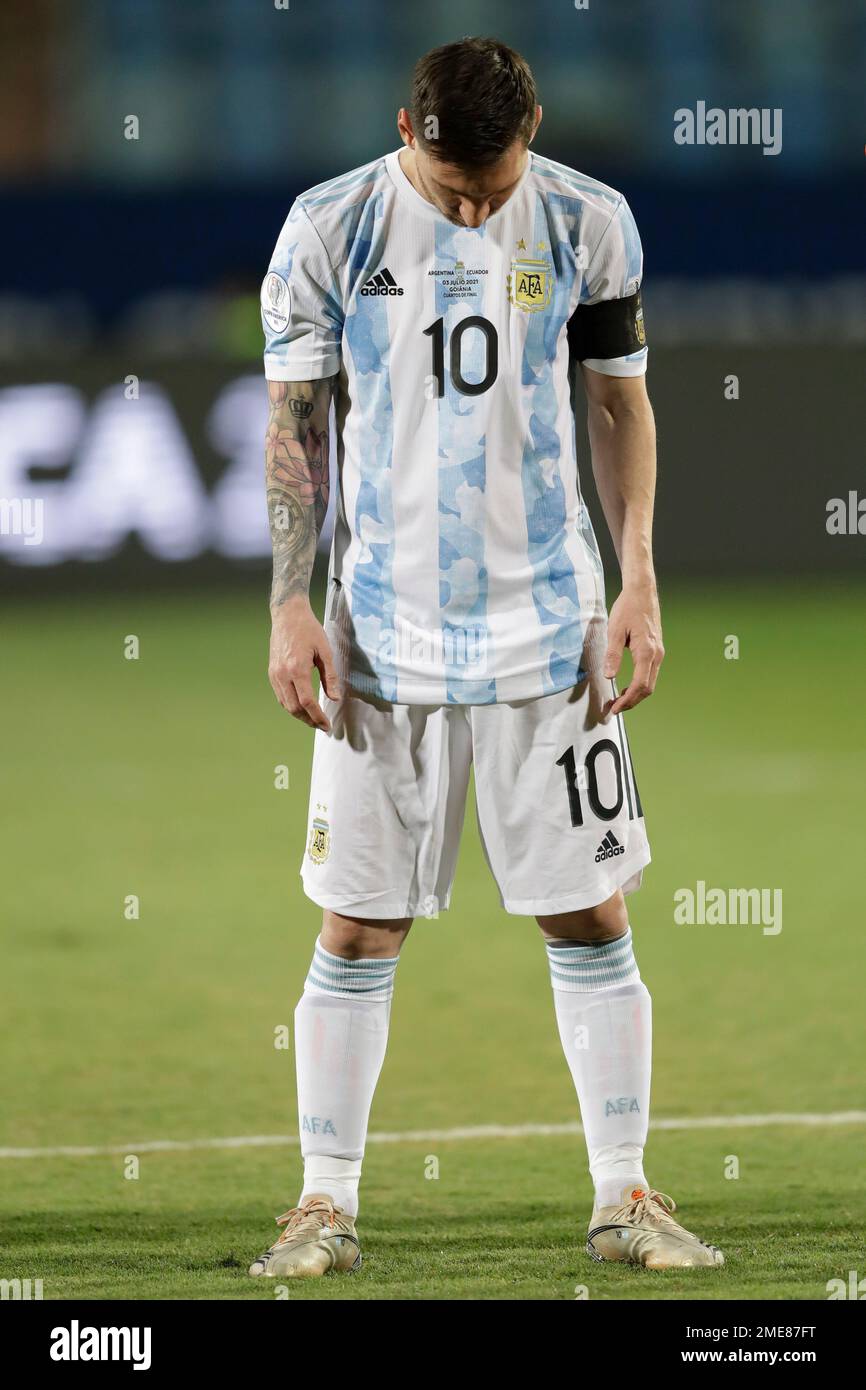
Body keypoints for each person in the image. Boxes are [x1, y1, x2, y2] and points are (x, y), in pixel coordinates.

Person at [250, 36, 723, 1279]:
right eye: (454, 189)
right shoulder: (329, 228)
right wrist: (288, 606)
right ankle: (322, 1206)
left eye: (493, 187)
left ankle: (623, 1194)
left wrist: (637, 580)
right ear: (406, 128)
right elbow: (297, 421)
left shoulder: (586, 221)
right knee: (357, 926)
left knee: (588, 910)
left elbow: (618, 404)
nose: (474, 209)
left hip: (548, 625)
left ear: (535, 134)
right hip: (382, 633)